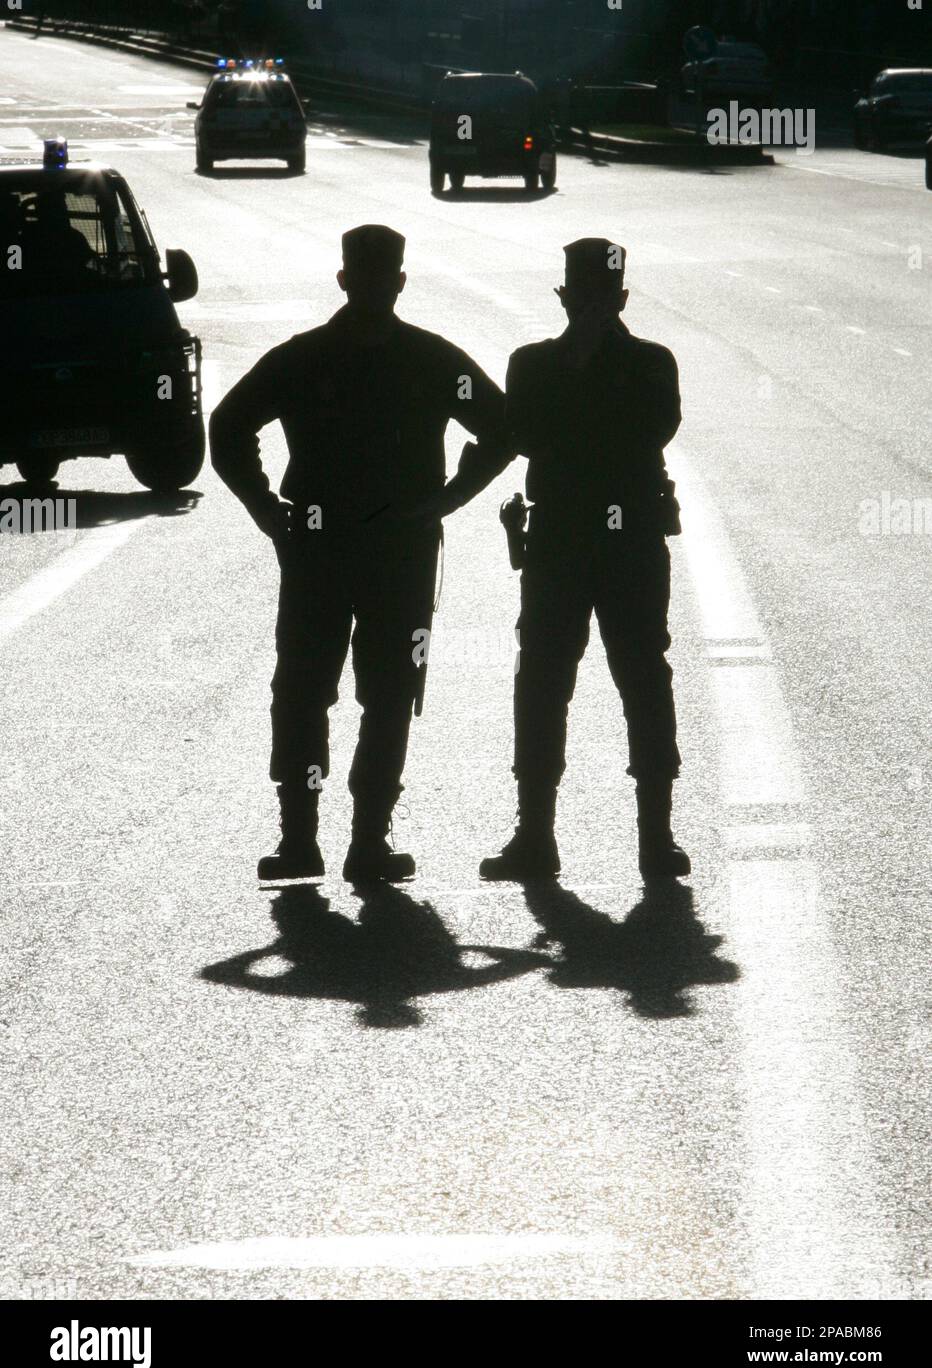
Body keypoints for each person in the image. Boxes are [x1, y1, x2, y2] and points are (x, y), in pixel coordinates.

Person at [210, 225, 512, 882]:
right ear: (349, 280)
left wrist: (447, 499)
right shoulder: (406, 360)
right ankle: (311, 839)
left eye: (382, 276)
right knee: (312, 693)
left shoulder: (330, 360)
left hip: (365, 551)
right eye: (367, 275)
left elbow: (504, 427)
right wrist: (268, 512)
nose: (375, 285)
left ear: (394, 282)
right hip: (352, 550)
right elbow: (227, 429)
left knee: (376, 693)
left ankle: (356, 839)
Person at [480, 237, 691, 881]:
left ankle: (656, 836)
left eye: (606, 299)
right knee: (541, 684)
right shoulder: (533, 362)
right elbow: (525, 433)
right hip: (559, 544)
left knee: (644, 679)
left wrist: (585, 388)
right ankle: (534, 836)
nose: (594, 309)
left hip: (628, 544)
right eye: (582, 299)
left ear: (623, 299)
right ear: (564, 298)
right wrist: (578, 363)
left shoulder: (653, 362)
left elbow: (652, 427)